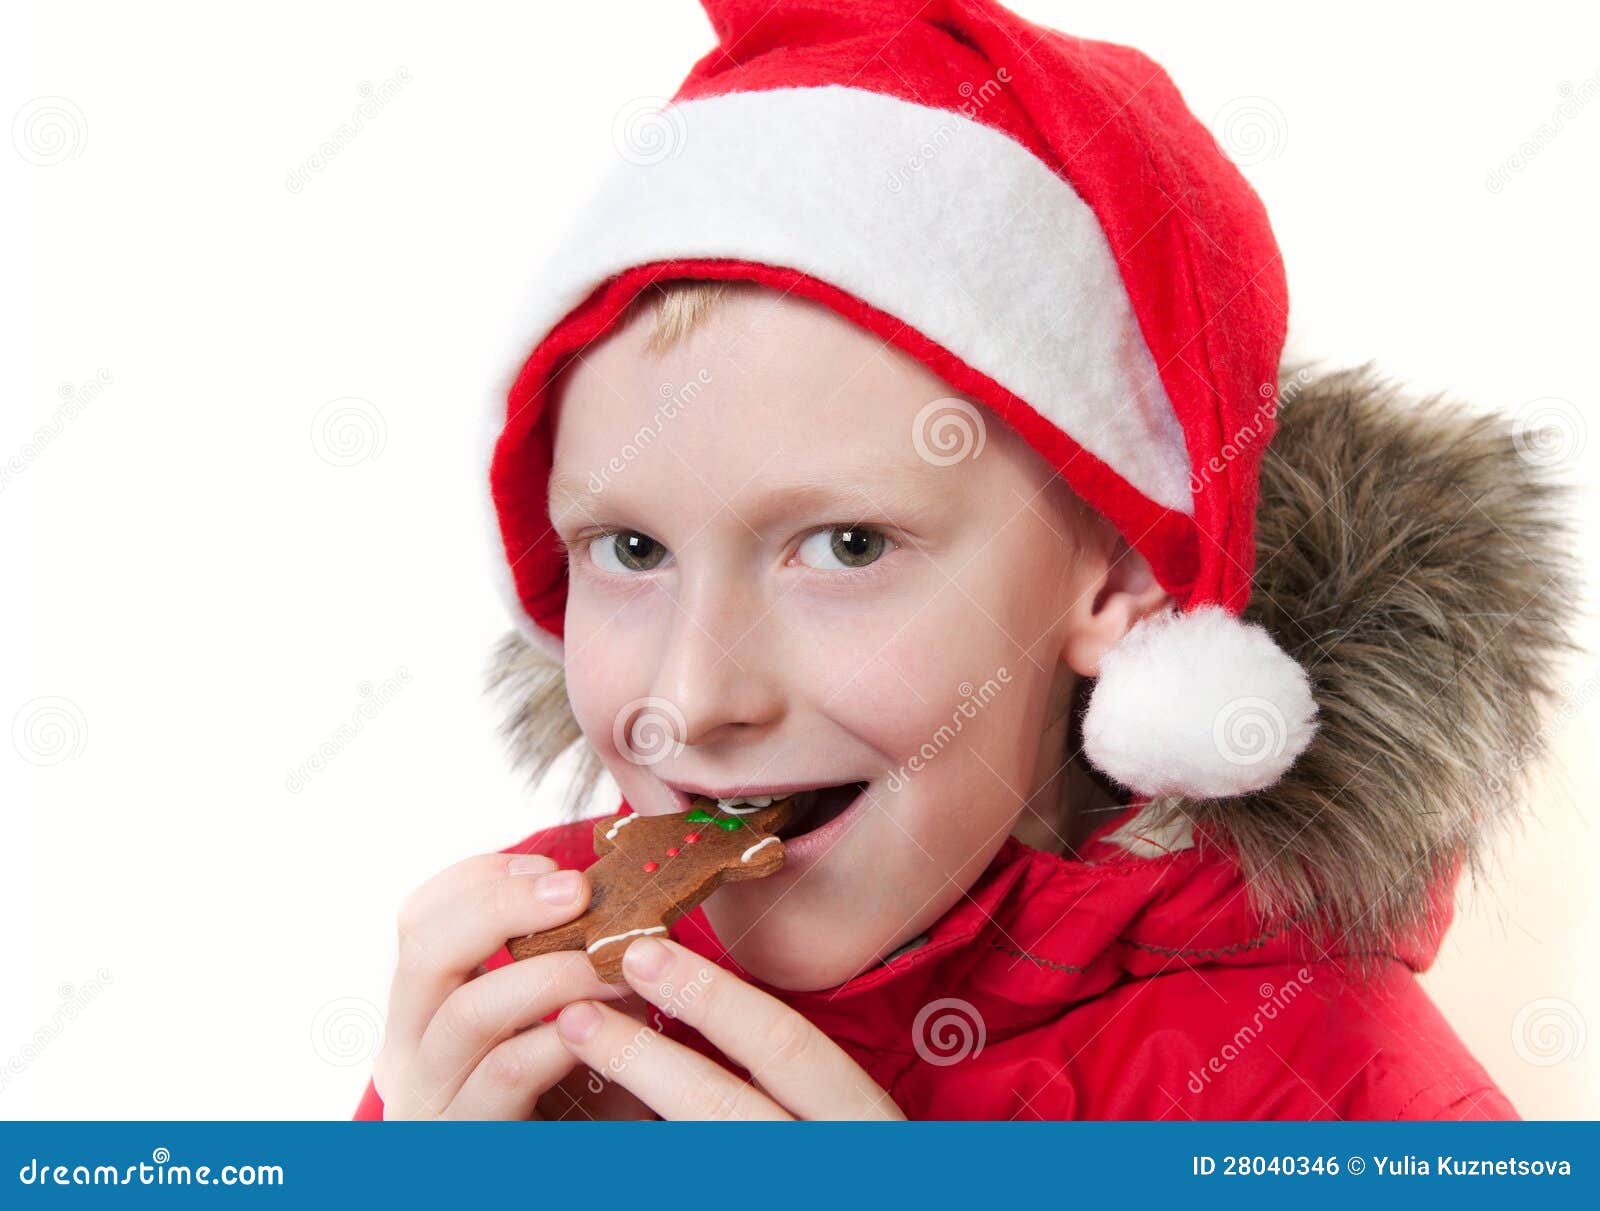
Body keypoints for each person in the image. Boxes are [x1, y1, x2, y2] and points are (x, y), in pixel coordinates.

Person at [355, 0, 1579, 1120]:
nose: (692, 696)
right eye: (631, 549)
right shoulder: (521, 1016)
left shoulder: (1338, 1093)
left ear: (1118, 572)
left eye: (845, 545)